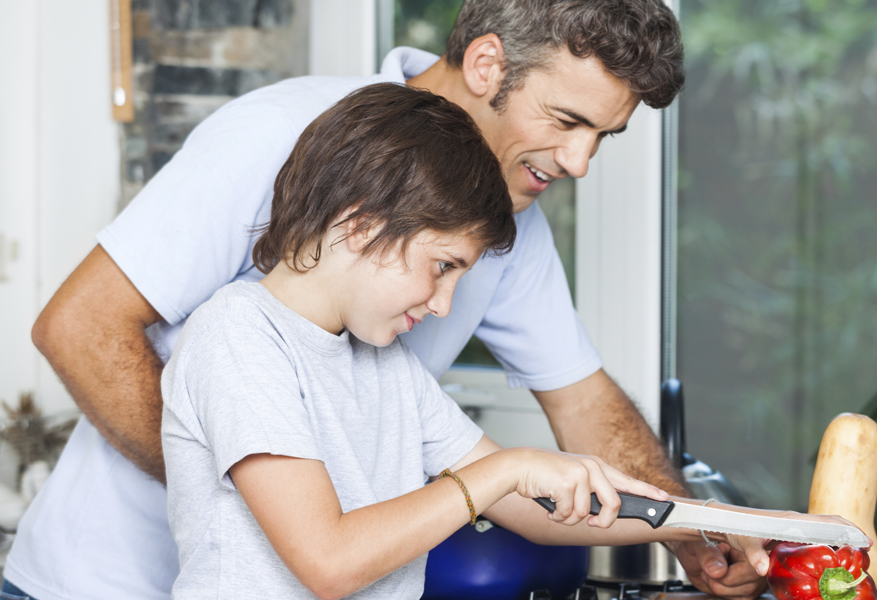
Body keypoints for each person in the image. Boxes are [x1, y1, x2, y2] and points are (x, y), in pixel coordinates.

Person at [12, 1, 763, 599]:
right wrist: (271, 504)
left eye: (605, 136)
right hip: (100, 583)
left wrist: (698, 530)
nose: (580, 162)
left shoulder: (497, 238)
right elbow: (79, 327)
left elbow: (582, 408)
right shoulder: (283, 138)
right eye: (567, 122)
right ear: (486, 62)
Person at [160, 81, 793, 600]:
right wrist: (508, 469)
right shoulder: (239, 337)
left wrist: (719, 524)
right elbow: (329, 561)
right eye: (442, 266)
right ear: (357, 227)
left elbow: (533, 512)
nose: (443, 305)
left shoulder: (386, 365)